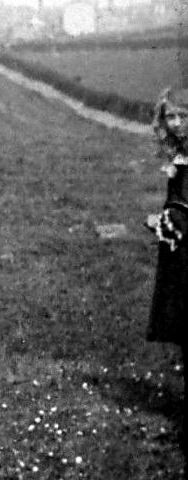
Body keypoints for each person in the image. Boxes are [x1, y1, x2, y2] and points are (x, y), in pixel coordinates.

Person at [145, 87, 188, 456]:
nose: (175, 124)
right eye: (170, 117)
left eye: (182, 116)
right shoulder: (180, 154)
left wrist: (171, 221)